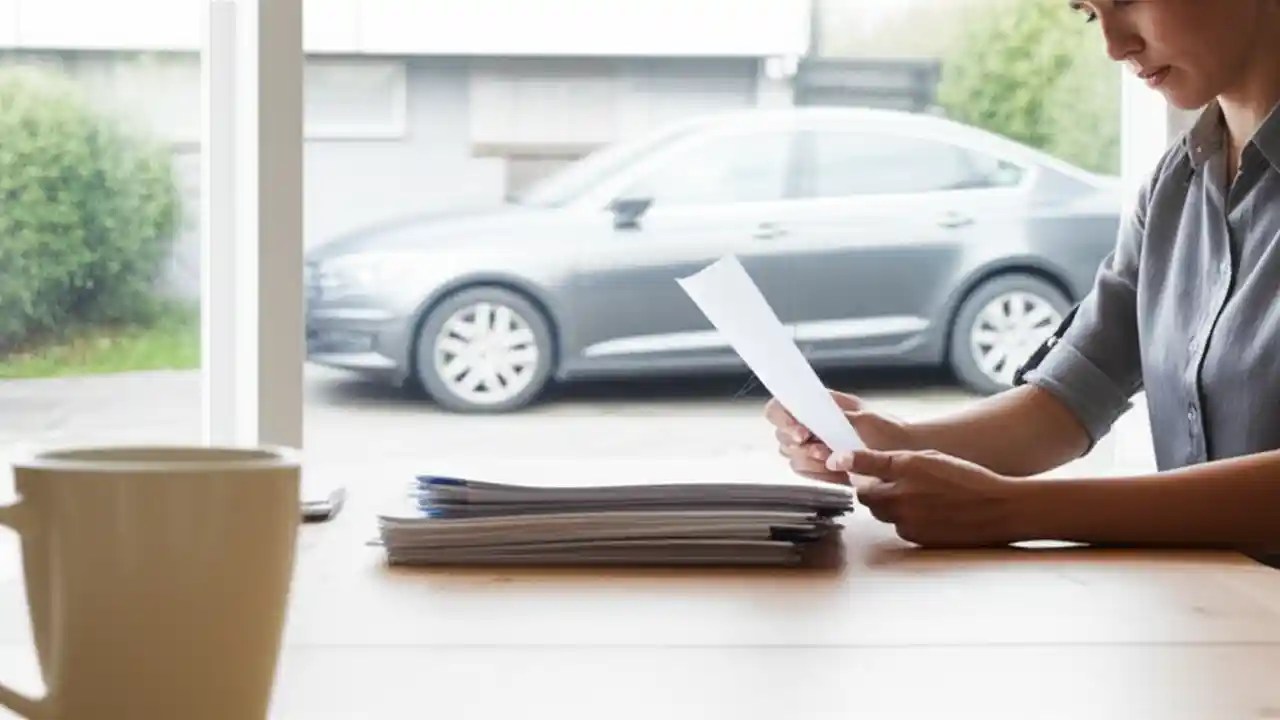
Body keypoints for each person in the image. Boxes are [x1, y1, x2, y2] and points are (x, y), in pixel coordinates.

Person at [767, 0, 1280, 554]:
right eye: (1089, 14)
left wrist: (1015, 508)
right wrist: (895, 444)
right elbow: (1068, 399)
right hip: (1221, 619)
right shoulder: (1175, 186)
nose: (1113, 45)